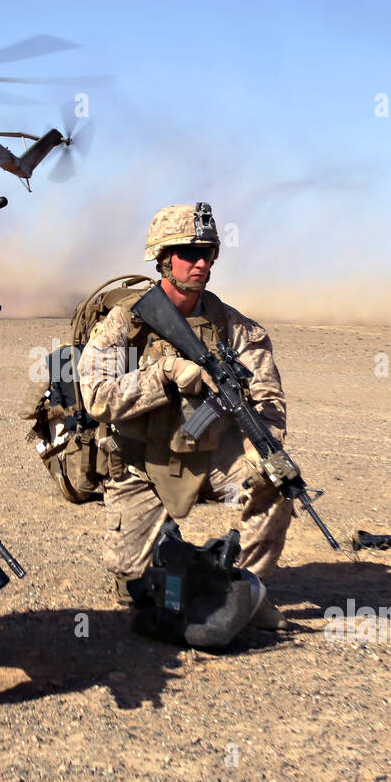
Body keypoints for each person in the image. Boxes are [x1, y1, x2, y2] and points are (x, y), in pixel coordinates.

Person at [78, 202, 292, 628]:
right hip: (143, 462)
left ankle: (248, 585)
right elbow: (97, 397)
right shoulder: (127, 321)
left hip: (209, 454)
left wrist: (261, 442)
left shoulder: (233, 326)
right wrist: (165, 374)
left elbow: (268, 397)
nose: (199, 263)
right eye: (187, 253)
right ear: (162, 259)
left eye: (207, 253)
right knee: (132, 582)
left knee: (276, 478)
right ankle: (162, 547)